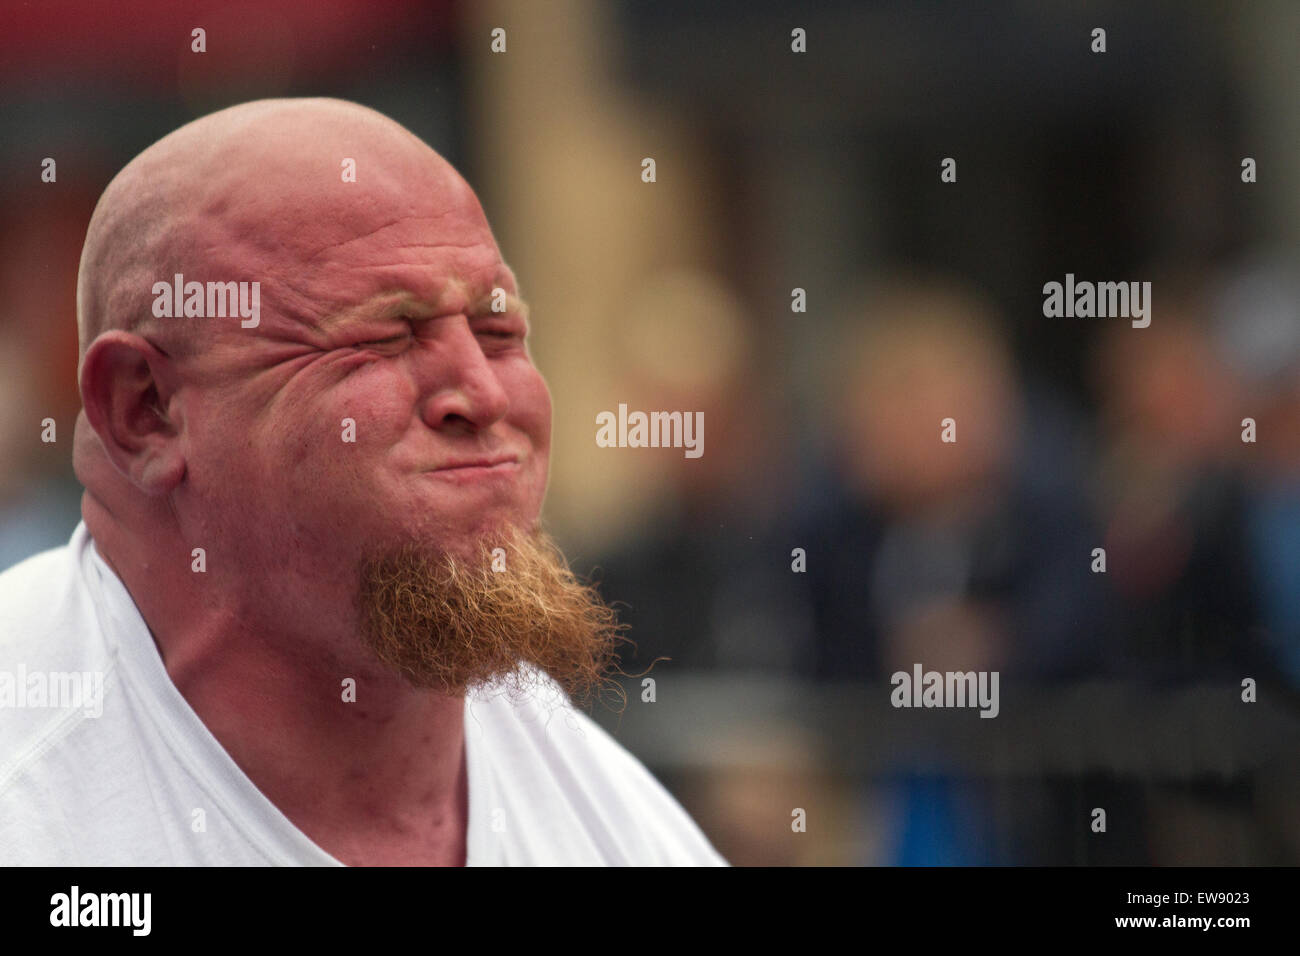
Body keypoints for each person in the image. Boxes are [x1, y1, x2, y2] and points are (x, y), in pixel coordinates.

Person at [0, 98, 726, 866]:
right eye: (385, 336)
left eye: (498, 331)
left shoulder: (620, 831)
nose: (482, 396)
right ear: (144, 410)